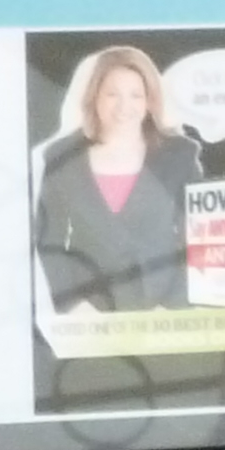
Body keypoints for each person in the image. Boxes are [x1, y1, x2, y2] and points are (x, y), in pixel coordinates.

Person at [28, 44, 205, 315]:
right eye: (112, 94)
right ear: (94, 96)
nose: (125, 106)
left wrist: (176, 304)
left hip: (165, 309)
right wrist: (74, 305)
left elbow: (197, 235)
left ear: (149, 101)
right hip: (92, 310)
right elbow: (50, 239)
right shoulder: (61, 157)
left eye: (136, 95)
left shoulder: (179, 154)